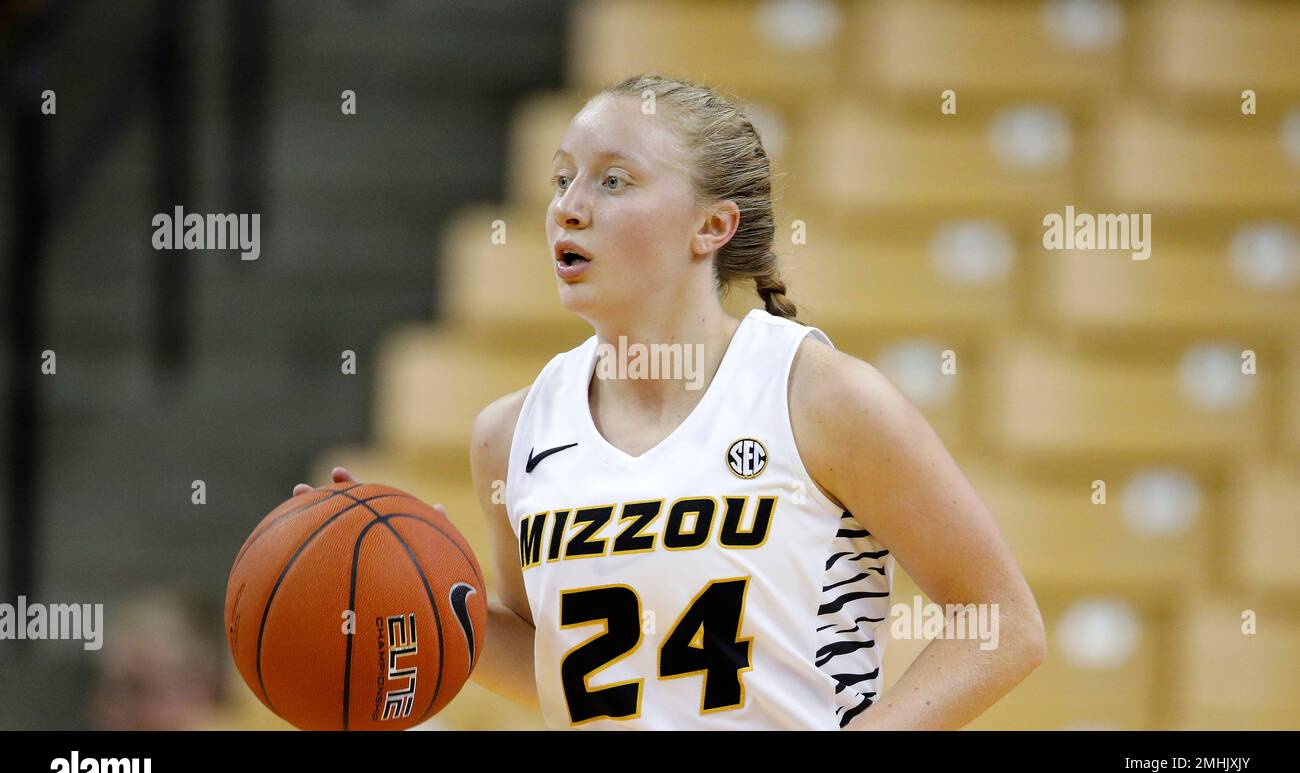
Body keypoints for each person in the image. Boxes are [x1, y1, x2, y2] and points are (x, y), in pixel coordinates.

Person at [298, 74, 1045, 730]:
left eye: (613, 181)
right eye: (562, 180)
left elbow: (1003, 622)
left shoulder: (820, 397)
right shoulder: (510, 433)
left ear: (712, 226)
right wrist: (371, 573)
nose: (569, 208)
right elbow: (555, 665)